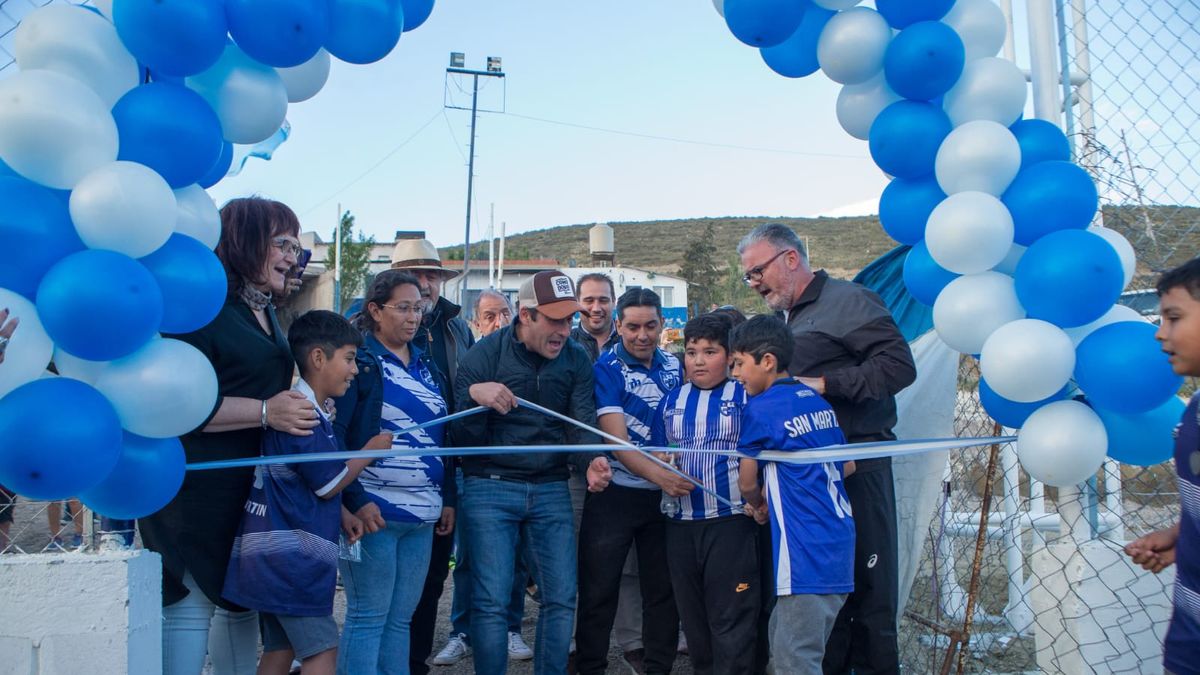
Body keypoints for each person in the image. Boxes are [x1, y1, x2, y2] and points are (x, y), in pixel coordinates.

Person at [139, 197, 320, 675]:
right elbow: (174, 404)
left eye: (296, 247)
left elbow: (262, 388)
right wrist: (266, 411)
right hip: (196, 487)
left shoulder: (265, 311)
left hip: (247, 486)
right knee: (192, 604)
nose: (291, 256)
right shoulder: (201, 306)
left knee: (240, 601)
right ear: (244, 242)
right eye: (281, 243)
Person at [738, 224, 915, 675]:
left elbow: (898, 366)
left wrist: (826, 383)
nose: (754, 282)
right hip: (808, 484)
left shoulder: (849, 301)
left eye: (758, 271)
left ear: (791, 259)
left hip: (859, 463)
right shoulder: (782, 322)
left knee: (870, 596)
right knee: (818, 605)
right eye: (748, 277)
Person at [452, 270, 613, 674]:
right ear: (525, 315)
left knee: (561, 597)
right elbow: (458, 435)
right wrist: (474, 396)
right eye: (554, 320)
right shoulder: (484, 355)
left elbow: (580, 424)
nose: (564, 329)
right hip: (490, 485)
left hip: (550, 485)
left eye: (569, 319)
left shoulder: (576, 357)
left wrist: (590, 460)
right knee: (490, 600)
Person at [222, 310, 390, 675]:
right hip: (291, 561)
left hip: (273, 557)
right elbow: (328, 484)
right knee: (322, 653)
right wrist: (369, 452)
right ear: (318, 358)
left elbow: (300, 478)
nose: (354, 369)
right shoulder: (304, 416)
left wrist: (345, 513)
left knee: (280, 651)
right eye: (348, 359)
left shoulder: (306, 410)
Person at [330, 271, 455, 674]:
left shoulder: (427, 366)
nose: (413, 317)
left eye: (418, 308)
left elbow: (442, 437)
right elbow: (337, 438)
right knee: (368, 616)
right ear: (374, 310)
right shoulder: (359, 364)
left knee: (401, 619)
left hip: (422, 515)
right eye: (402, 307)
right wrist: (353, 501)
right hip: (373, 513)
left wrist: (448, 497)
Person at [730, 315, 856, 675]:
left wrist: (758, 506)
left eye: (740, 363)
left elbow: (747, 483)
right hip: (838, 543)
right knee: (785, 648)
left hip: (804, 554)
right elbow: (847, 467)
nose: (736, 374)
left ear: (767, 361)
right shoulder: (817, 403)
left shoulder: (761, 408)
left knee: (795, 662)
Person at [577, 288, 689, 675]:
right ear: (618, 325)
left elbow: (684, 426)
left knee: (662, 590)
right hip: (617, 494)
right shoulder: (605, 368)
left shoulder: (677, 366)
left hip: (664, 497)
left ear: (662, 325)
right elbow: (617, 442)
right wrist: (665, 477)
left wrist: (672, 462)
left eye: (651, 326)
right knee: (599, 589)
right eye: (634, 327)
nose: (643, 335)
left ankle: (658, 668)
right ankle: (590, 666)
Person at [650, 313, 759, 675]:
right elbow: (657, 450)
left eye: (709, 352)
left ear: (729, 357)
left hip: (730, 523)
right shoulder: (672, 400)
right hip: (681, 524)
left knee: (730, 615)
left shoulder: (745, 396)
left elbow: (765, 453)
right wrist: (665, 466)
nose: (698, 360)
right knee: (693, 618)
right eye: (691, 352)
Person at [389, 239, 479, 674]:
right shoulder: (363, 327)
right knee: (382, 590)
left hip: (447, 463)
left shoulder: (457, 327)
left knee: (430, 580)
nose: (426, 284)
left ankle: (414, 664)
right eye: (417, 274)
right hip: (386, 470)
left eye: (434, 276)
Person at [437, 288, 533, 666]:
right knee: (468, 558)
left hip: (516, 472)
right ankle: (462, 631)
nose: (499, 322)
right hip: (473, 471)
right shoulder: (471, 360)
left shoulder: (526, 355)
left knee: (516, 557)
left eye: (504, 313)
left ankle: (511, 628)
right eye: (490, 315)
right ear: (476, 323)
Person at [1123, 257, 1200, 675]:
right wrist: (1181, 534)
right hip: (1189, 630)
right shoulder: (1196, 410)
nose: (1160, 333)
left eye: (1173, 318)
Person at [570, 273, 618, 362]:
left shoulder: (630, 341)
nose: (596, 309)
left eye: (603, 301)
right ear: (577, 303)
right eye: (589, 301)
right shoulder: (565, 344)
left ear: (614, 302)